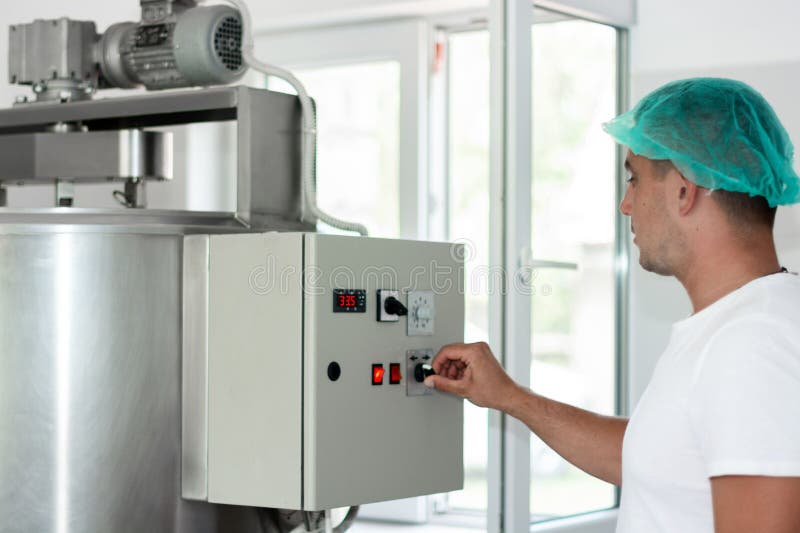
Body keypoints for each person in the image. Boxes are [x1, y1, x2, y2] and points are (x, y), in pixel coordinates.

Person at [425, 78, 800, 533]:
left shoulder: (750, 346)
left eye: (634, 178)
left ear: (684, 190)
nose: (626, 205)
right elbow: (659, 459)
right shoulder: (744, 325)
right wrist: (508, 396)